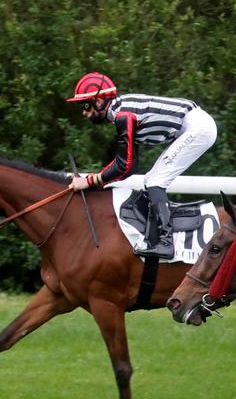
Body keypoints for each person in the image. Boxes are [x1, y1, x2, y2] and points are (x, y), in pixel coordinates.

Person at [64, 72, 217, 260]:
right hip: (194, 125)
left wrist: (89, 181)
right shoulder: (122, 112)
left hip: (198, 128)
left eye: (86, 105)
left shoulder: (123, 115)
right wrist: (96, 182)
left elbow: (124, 165)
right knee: (150, 179)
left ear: (99, 101)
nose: (84, 112)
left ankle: (166, 243)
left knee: (155, 181)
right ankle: (161, 237)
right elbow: (130, 166)